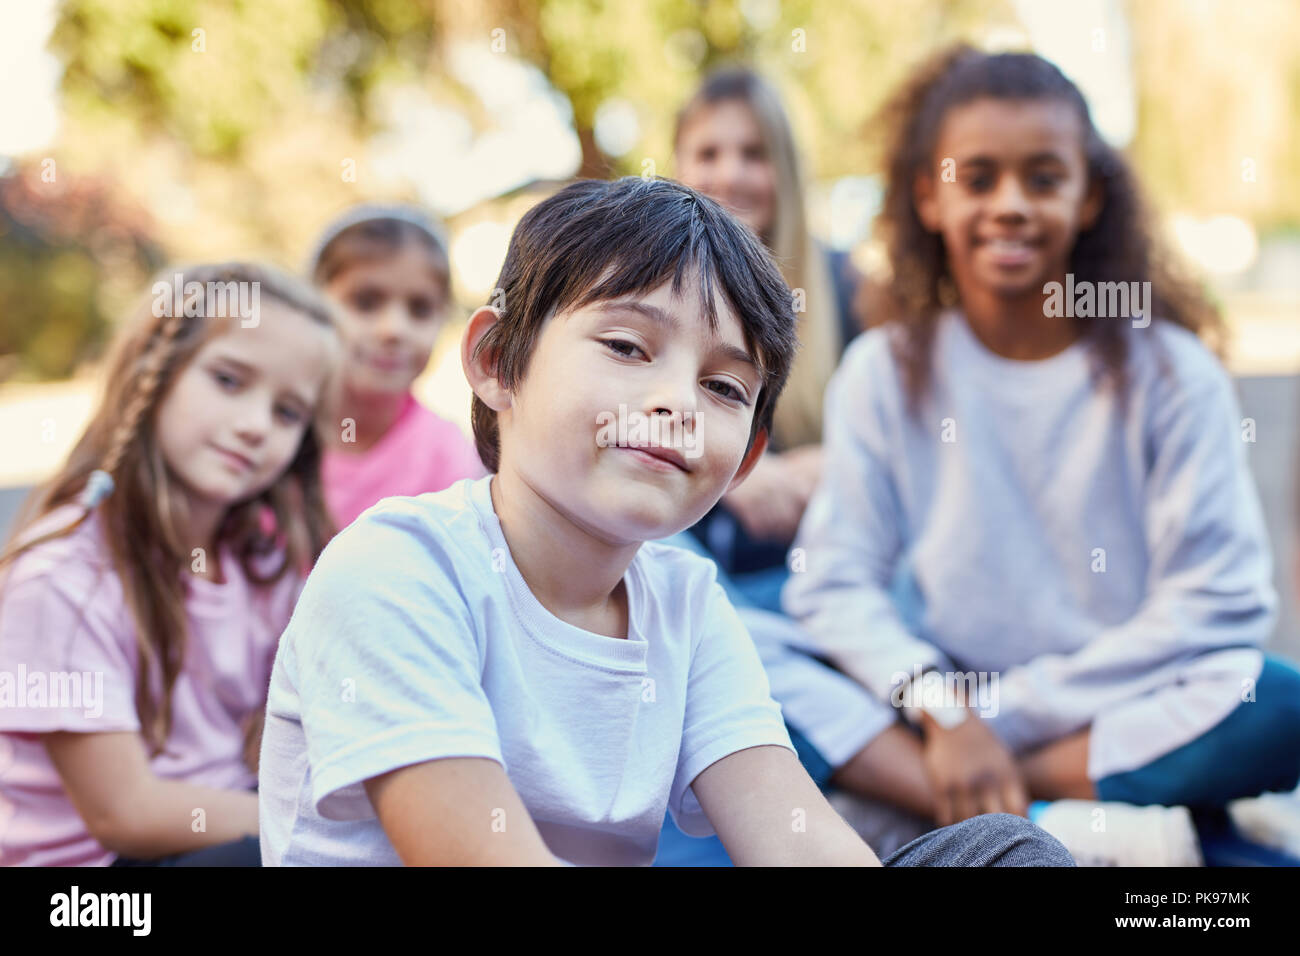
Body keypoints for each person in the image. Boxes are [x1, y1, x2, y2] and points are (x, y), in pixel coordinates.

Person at [256, 176, 1074, 866]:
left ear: (747, 459)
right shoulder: (397, 568)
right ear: (498, 363)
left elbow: (798, 842)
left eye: (723, 388)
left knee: (1007, 853)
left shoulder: (686, 603)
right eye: (626, 346)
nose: (677, 404)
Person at [781, 45, 1300, 866]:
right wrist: (942, 707)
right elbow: (835, 581)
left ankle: (985, 809)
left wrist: (996, 723)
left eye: (1044, 178)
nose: (1011, 205)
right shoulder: (884, 370)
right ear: (930, 196)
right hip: (946, 704)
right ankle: (1105, 830)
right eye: (978, 178)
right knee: (749, 650)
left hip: (1116, 705)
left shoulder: (1171, 373)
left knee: (1272, 698)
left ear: (1089, 196)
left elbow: (1218, 602)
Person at [0, 263, 340, 866]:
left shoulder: (261, 564)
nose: (255, 425)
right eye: (229, 380)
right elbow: (126, 814)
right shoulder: (63, 580)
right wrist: (327, 812)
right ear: (152, 374)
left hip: (223, 823)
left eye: (287, 412)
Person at [672, 66, 861, 611]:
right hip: (692, 571)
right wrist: (730, 474)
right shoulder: (648, 291)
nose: (730, 174)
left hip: (818, 579)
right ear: (679, 166)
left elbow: (909, 443)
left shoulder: (849, 287)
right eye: (708, 154)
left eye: (754, 154)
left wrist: (834, 465)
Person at [308, 204, 485, 531]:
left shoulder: (446, 458)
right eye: (365, 302)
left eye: (419, 309)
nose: (394, 330)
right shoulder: (277, 429)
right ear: (312, 305)